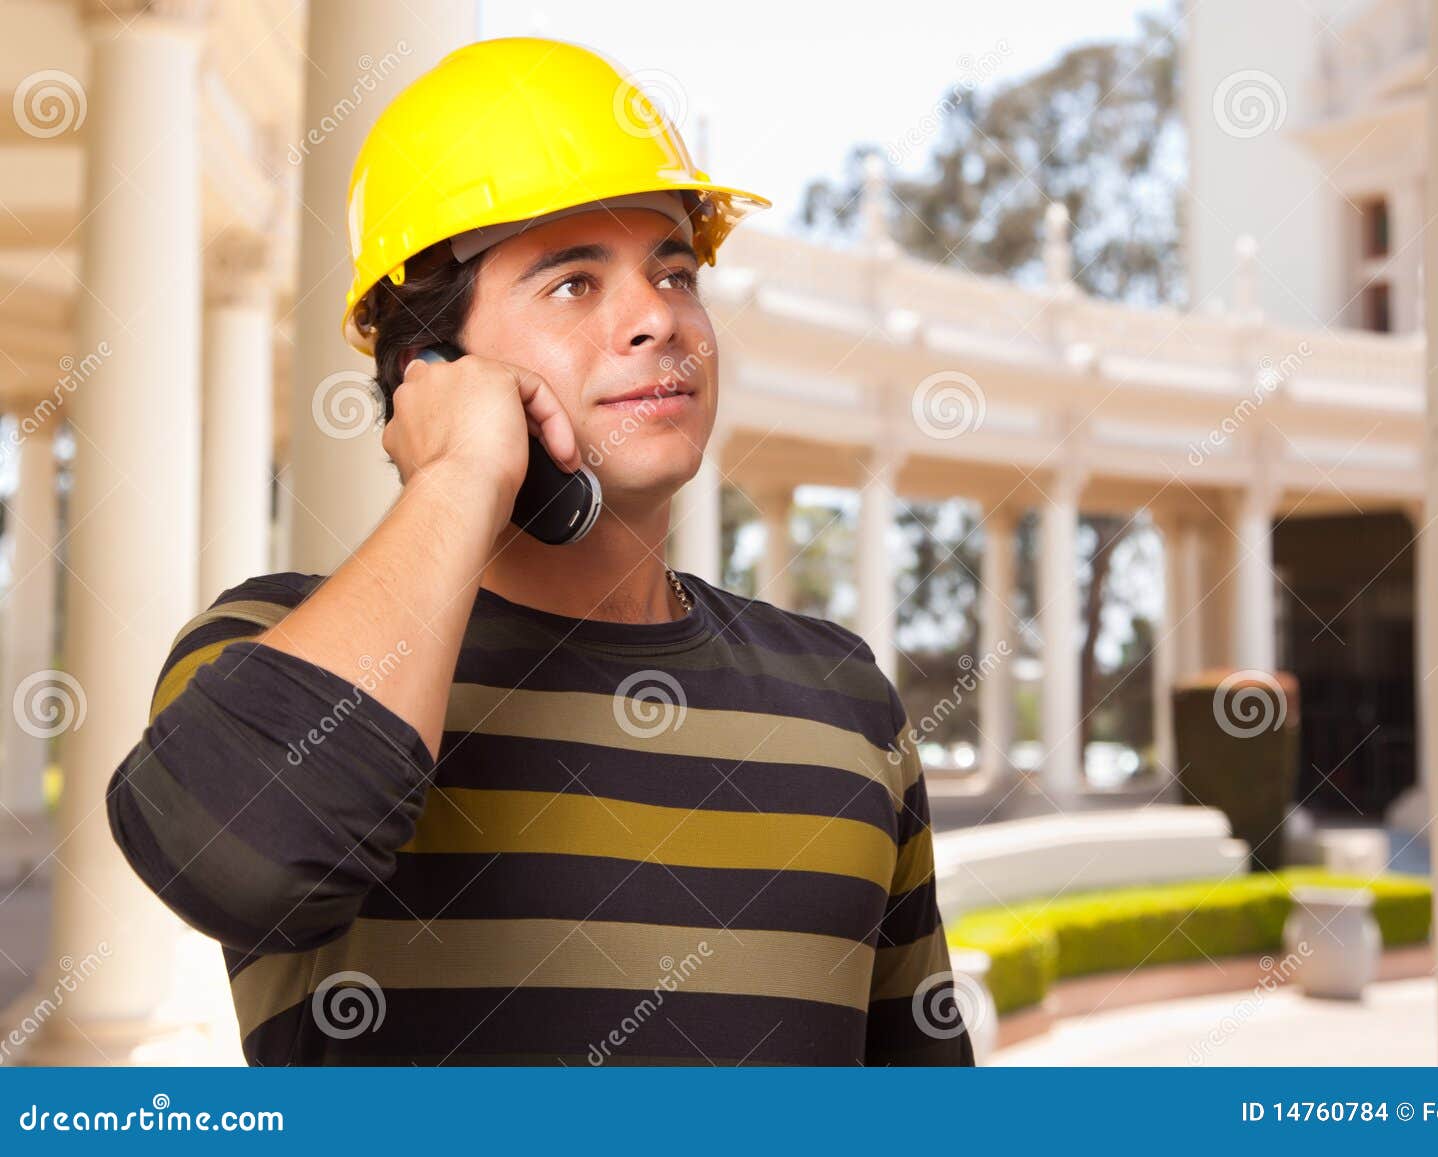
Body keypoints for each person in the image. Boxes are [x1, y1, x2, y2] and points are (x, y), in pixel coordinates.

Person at [105, 36, 974, 1066]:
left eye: (675, 271)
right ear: (430, 364)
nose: (658, 318)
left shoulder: (842, 695)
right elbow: (239, 862)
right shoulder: (269, 649)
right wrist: (461, 475)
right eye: (573, 282)